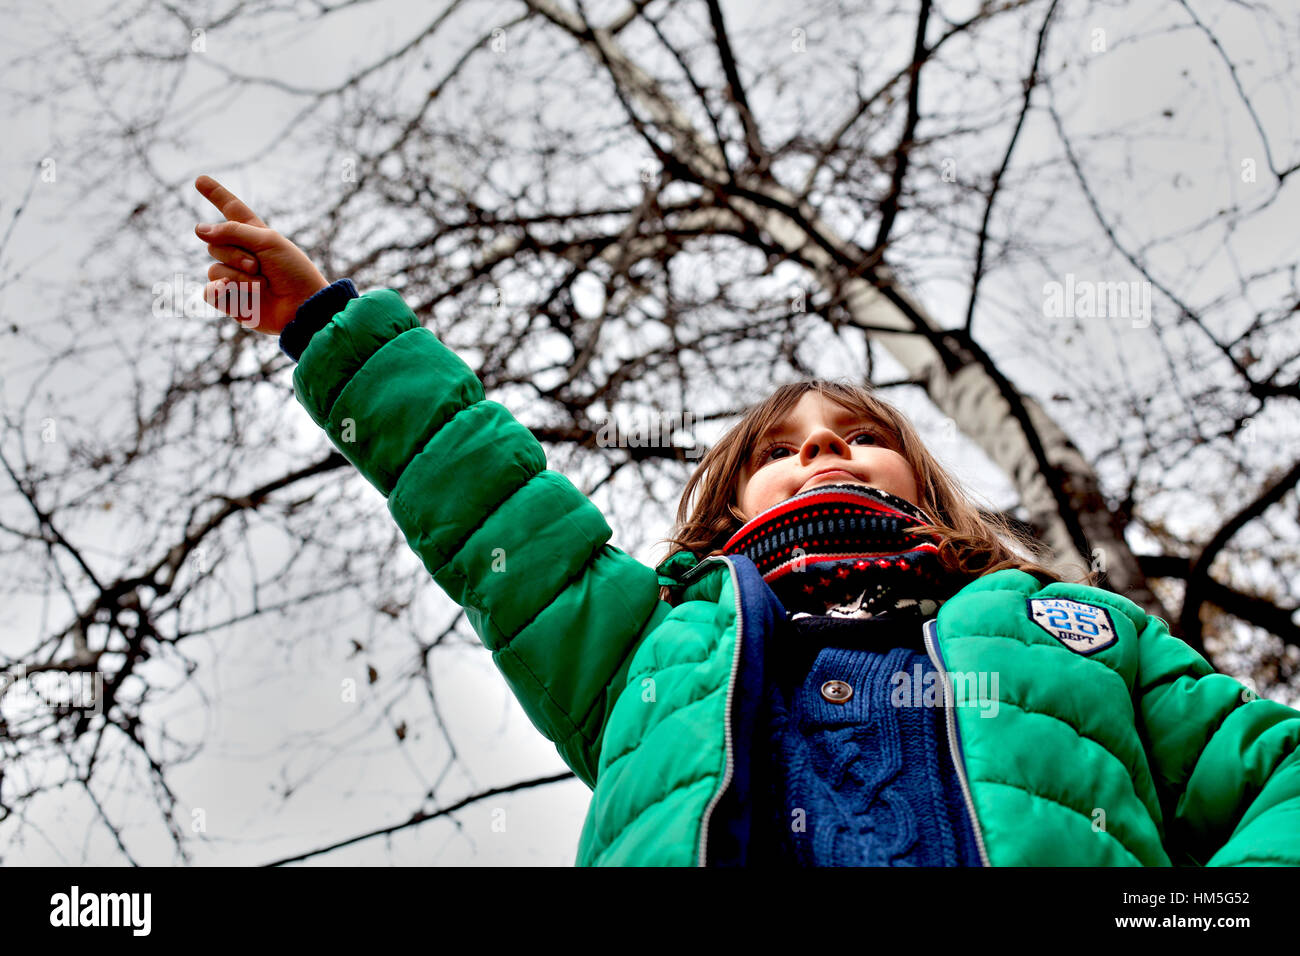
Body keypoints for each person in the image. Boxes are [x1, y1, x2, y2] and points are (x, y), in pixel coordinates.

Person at [192, 174, 1300, 867]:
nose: (822, 447)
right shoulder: (646, 639)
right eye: (778, 449)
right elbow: (489, 501)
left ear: (923, 483)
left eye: (860, 434)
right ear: (729, 504)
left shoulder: (1076, 628)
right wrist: (325, 324)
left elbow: (1279, 778)